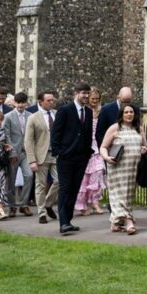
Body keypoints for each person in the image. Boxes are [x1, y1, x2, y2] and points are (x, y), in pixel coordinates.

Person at [51, 84, 96, 234]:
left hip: (81, 156)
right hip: (66, 156)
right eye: (83, 93)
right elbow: (56, 132)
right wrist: (58, 152)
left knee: (75, 188)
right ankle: (63, 222)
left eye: (87, 93)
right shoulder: (65, 110)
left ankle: (68, 220)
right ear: (76, 93)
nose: (86, 96)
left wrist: (88, 151)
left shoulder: (88, 112)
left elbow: (88, 133)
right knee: (65, 188)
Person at [101, 102, 146, 235]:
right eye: (126, 112)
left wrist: (143, 149)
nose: (129, 114)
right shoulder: (115, 128)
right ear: (121, 114)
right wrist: (106, 157)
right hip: (117, 167)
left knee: (128, 194)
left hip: (132, 168)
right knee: (118, 194)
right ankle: (129, 221)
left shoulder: (139, 128)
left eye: (131, 112)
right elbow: (103, 147)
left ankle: (115, 223)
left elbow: (145, 146)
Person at [24, 90, 59, 224]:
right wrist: (32, 160)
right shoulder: (33, 118)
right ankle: (42, 213)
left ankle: (48, 204)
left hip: (56, 154)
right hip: (40, 156)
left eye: (52, 100)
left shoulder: (57, 114)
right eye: (48, 100)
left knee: (59, 181)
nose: (51, 103)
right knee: (40, 184)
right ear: (41, 102)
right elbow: (28, 140)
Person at [76, 88, 107, 217]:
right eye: (92, 99)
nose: (94, 101)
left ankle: (95, 202)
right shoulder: (84, 112)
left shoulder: (102, 111)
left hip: (98, 147)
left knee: (98, 173)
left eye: (97, 99)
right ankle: (82, 205)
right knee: (84, 179)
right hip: (85, 147)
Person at [2, 92, 33, 216]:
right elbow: (7, 135)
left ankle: (24, 204)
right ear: (14, 103)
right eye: (18, 102)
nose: (20, 105)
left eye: (22, 103)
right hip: (13, 153)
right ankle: (12, 206)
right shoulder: (8, 116)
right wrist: (11, 152)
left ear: (26, 103)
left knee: (29, 176)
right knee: (11, 180)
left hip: (26, 152)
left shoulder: (31, 116)